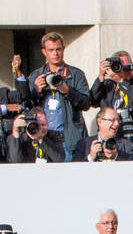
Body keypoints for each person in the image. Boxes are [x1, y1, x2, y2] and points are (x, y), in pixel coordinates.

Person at [15, 31, 92, 161]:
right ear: (44, 52)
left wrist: (67, 90)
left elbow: (86, 103)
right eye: (51, 50)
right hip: (43, 136)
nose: (55, 53)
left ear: (63, 49)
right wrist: (36, 90)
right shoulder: (35, 75)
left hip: (68, 139)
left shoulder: (75, 74)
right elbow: (25, 106)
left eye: (58, 49)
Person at [90, 51, 133, 155]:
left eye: (127, 67)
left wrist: (121, 81)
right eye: (121, 67)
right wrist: (101, 76)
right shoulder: (107, 84)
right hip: (110, 135)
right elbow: (92, 101)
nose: (125, 71)